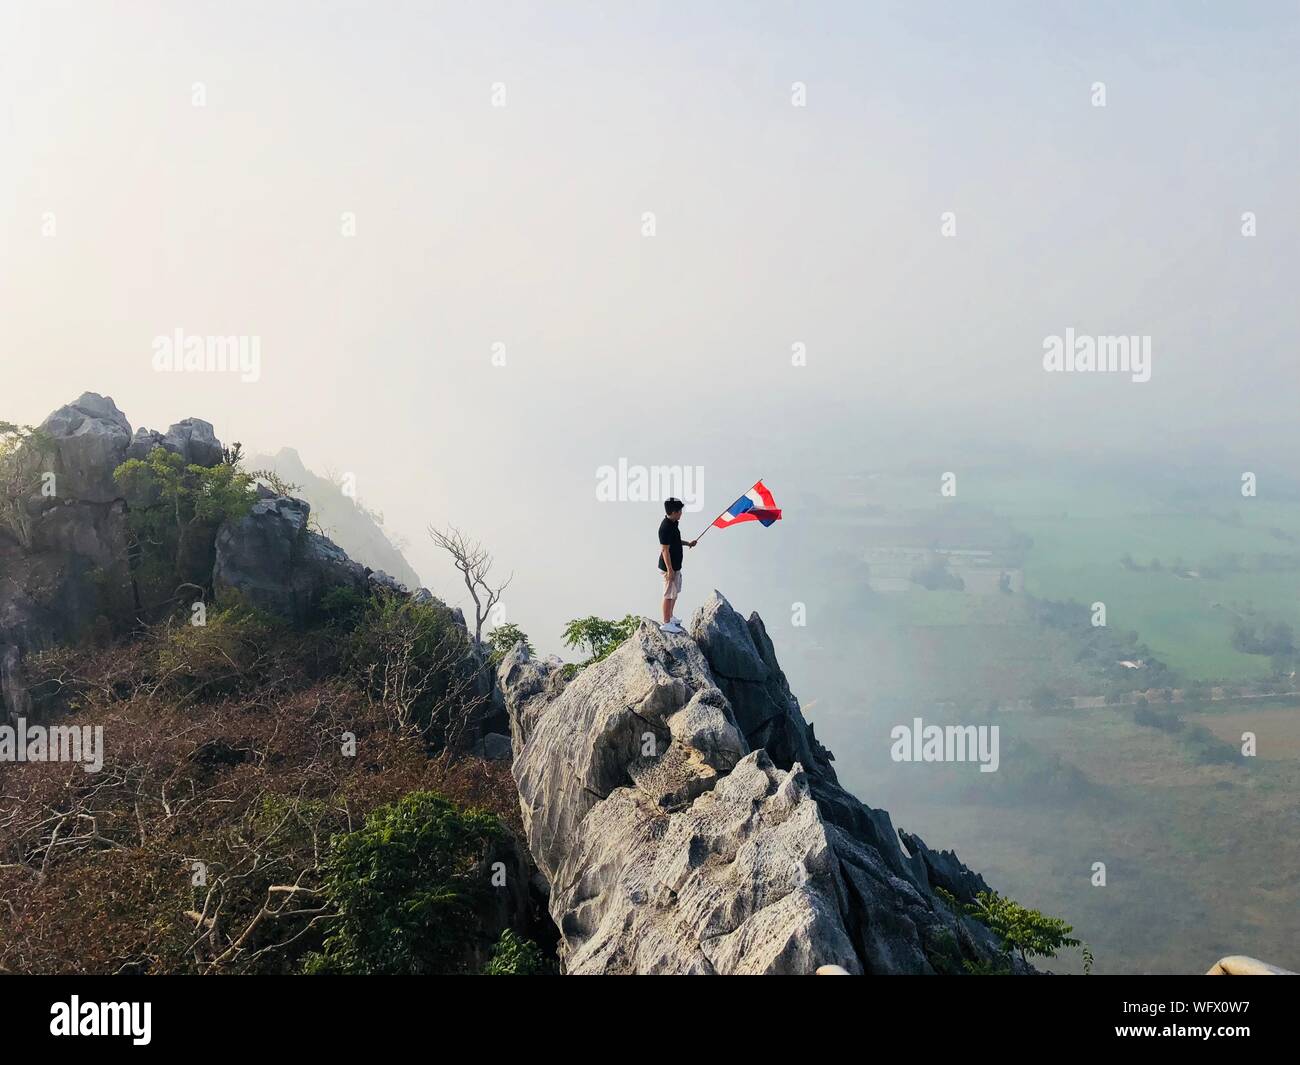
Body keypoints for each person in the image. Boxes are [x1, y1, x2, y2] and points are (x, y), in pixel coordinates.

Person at [657, 497, 697, 633]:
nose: (681, 513)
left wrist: (688, 544)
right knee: (668, 594)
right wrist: (669, 571)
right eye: (680, 511)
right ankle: (666, 623)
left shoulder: (674, 523)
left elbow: (675, 540)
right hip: (669, 567)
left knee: (675, 593)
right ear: (674, 512)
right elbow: (665, 550)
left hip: (676, 566)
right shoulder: (665, 528)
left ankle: (670, 616)